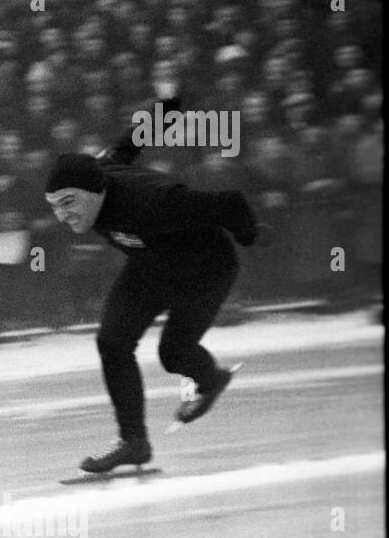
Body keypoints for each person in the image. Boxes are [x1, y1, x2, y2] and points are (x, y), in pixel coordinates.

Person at [43, 147, 262, 473]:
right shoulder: (98, 171)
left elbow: (231, 203)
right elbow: (127, 143)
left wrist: (250, 234)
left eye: (69, 203)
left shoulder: (153, 201)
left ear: (96, 191)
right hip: (151, 265)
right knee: (112, 342)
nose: (62, 216)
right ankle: (134, 442)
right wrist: (167, 108)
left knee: (173, 354)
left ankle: (211, 379)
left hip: (205, 270)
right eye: (55, 206)